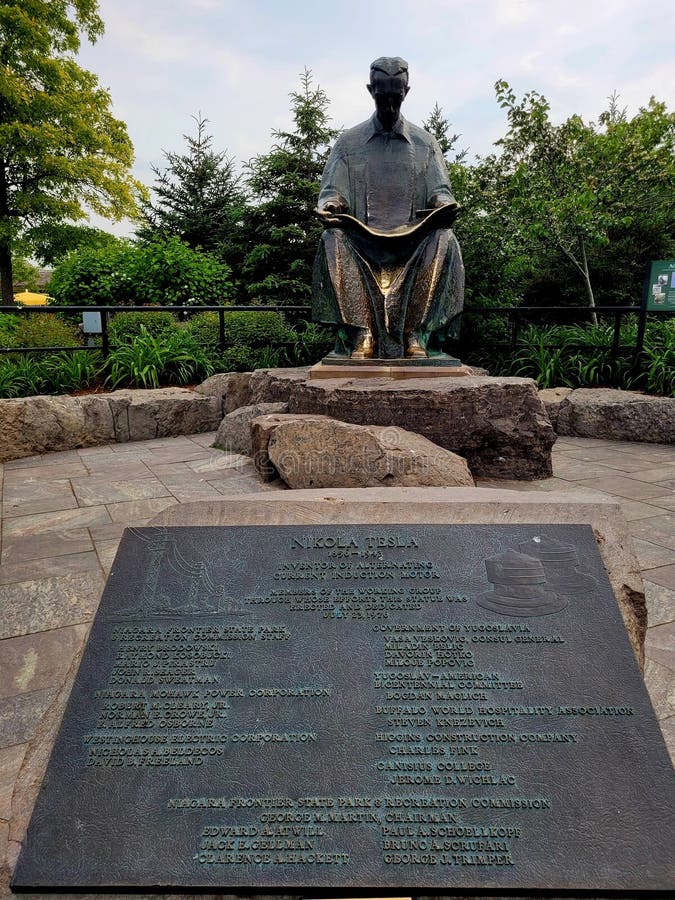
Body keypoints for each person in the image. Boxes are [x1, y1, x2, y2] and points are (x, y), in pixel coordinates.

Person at [312, 56, 464, 359]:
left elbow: (440, 191)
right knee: (332, 238)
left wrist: (444, 204)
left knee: (444, 238)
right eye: (384, 97)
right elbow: (332, 192)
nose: (391, 106)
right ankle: (361, 333)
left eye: (397, 97)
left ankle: (416, 334)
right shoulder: (348, 143)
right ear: (371, 91)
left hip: (413, 244)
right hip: (362, 242)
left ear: (406, 92)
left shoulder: (425, 143)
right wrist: (330, 205)